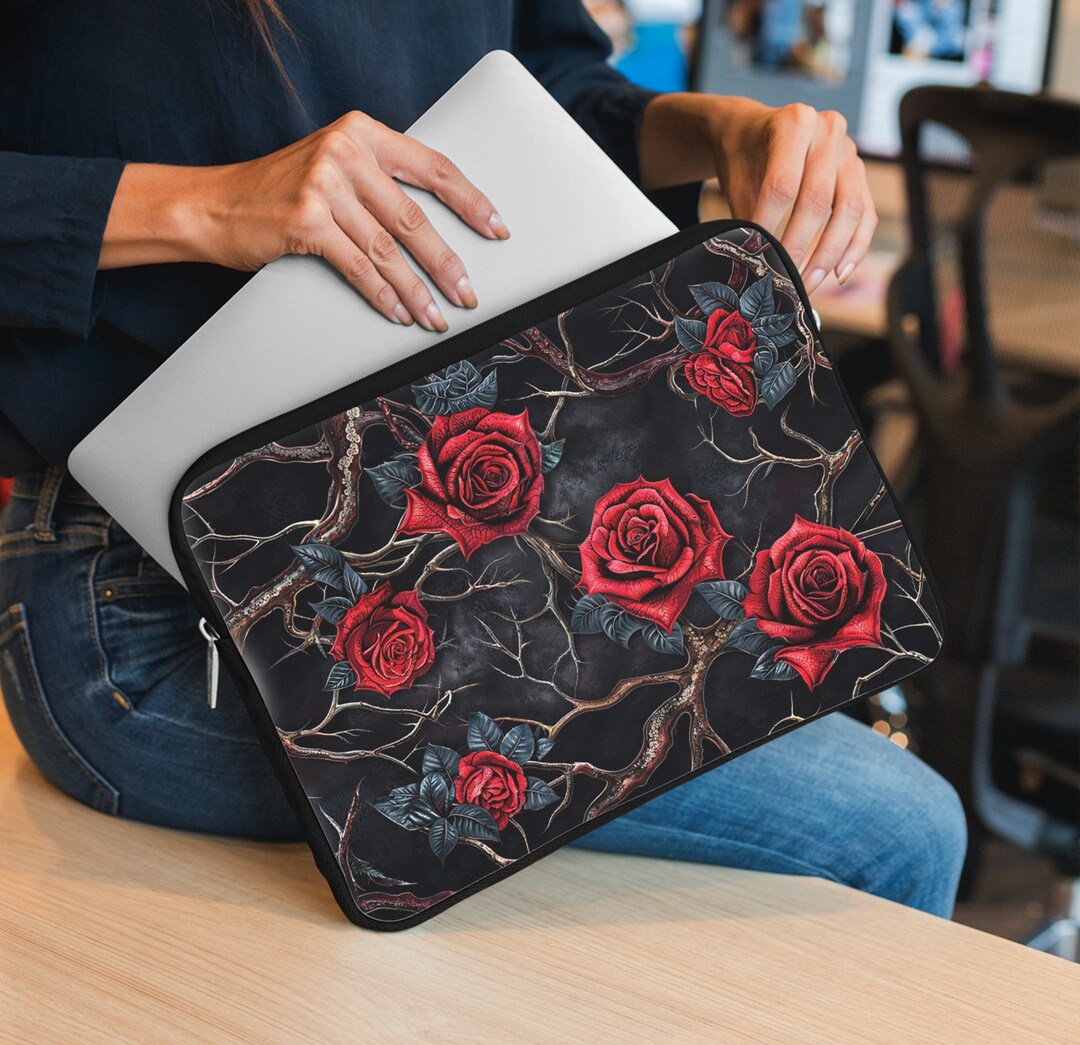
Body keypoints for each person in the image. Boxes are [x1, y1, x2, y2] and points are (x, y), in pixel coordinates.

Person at [0, 0, 965, 918]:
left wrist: (721, 133)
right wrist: (207, 205)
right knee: (897, 831)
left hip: (475, 574)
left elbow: (552, 89)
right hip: (168, 614)